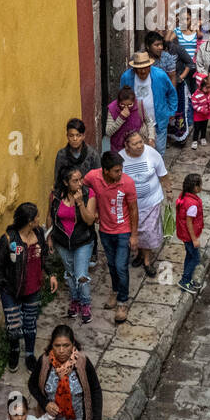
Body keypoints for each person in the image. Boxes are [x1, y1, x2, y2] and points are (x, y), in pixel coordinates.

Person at [0, 203, 58, 374]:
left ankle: (29, 354)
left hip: (33, 289)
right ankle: (14, 351)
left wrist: (51, 275)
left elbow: (44, 258)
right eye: (36, 217)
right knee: (13, 327)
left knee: (30, 325)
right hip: (11, 291)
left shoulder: (39, 234)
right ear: (29, 221)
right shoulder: (8, 240)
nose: (38, 219)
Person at [28, 325, 103, 420]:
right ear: (52, 345)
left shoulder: (82, 362)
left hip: (77, 418)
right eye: (57, 345)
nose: (61, 350)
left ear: (73, 344)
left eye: (66, 345)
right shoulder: (44, 361)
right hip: (51, 418)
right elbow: (32, 385)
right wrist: (45, 403)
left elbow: (95, 390)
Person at [85, 151, 139, 324]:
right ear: (105, 171)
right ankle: (115, 291)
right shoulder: (94, 177)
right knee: (111, 264)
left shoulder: (127, 183)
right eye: (116, 170)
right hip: (105, 231)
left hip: (123, 231)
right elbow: (80, 186)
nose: (120, 173)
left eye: (121, 169)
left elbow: (133, 209)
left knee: (121, 266)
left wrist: (134, 235)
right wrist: (91, 210)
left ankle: (123, 301)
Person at [50, 166, 98, 324]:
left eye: (81, 179)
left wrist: (80, 204)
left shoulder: (88, 194)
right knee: (70, 274)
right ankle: (75, 300)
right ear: (65, 182)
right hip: (62, 242)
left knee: (81, 275)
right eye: (75, 181)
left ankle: (85, 303)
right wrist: (49, 237)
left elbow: (90, 220)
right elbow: (50, 217)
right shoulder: (55, 196)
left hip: (82, 241)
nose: (80, 183)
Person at [120, 131, 168, 277]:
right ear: (127, 146)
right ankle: (140, 254)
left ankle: (147, 260)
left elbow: (163, 174)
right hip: (130, 206)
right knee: (136, 231)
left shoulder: (152, 154)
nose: (140, 146)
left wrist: (169, 191)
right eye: (135, 143)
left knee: (148, 232)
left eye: (141, 141)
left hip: (151, 201)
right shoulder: (120, 158)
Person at [120, 49, 176, 155]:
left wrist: (171, 111)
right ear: (134, 68)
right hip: (136, 124)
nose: (143, 71)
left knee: (158, 152)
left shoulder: (160, 75)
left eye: (145, 68)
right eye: (139, 68)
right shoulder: (127, 77)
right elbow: (121, 97)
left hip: (158, 121)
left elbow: (172, 93)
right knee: (138, 152)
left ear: (150, 66)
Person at [175, 172, 206, 294]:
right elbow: (189, 223)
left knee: (189, 255)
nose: (201, 187)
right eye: (200, 185)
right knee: (196, 258)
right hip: (189, 236)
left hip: (183, 233)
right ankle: (185, 280)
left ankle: (187, 279)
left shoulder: (184, 196)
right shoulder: (192, 204)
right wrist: (194, 239)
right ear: (195, 188)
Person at [53, 117, 99, 191]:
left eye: (78, 135)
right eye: (71, 136)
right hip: (67, 197)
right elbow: (58, 181)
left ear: (83, 136)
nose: (75, 139)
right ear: (67, 136)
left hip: (88, 196)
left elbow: (98, 182)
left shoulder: (93, 155)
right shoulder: (62, 155)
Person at [106, 85, 148, 153]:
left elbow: (149, 122)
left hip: (136, 146)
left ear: (134, 101)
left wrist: (151, 137)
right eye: (122, 105)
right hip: (118, 148)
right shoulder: (112, 109)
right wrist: (121, 118)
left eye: (129, 105)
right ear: (118, 102)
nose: (126, 108)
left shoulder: (139, 105)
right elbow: (108, 132)